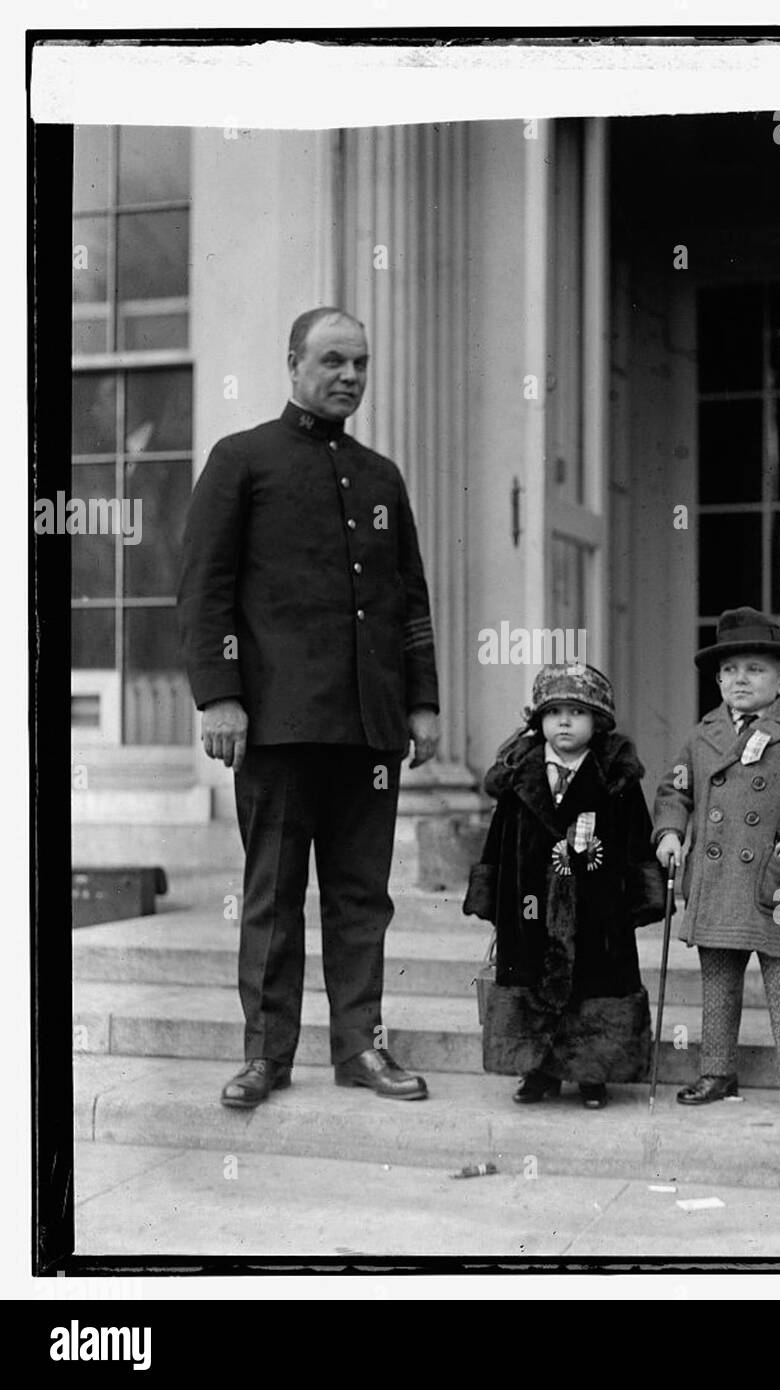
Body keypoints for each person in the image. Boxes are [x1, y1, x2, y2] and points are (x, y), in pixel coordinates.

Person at [178, 306, 440, 1109]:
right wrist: (220, 697)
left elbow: (409, 599)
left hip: (368, 727)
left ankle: (359, 1047)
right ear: (293, 363)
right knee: (273, 895)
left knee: (362, 897)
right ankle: (267, 1055)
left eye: (360, 362)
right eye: (332, 361)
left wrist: (422, 703)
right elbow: (204, 591)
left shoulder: (381, 476)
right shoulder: (241, 460)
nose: (349, 376)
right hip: (277, 724)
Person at [652, 607, 780, 1118]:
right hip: (718, 879)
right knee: (719, 983)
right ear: (718, 680)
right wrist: (670, 832)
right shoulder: (703, 735)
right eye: (729, 670)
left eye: (754, 669)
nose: (739, 679)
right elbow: (675, 789)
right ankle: (717, 1071)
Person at [462, 664, 665, 1109]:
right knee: (530, 978)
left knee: (595, 981)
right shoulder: (520, 774)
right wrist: (489, 892)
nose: (565, 722)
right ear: (539, 722)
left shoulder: (615, 778)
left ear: (599, 721)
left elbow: (636, 837)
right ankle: (537, 1071)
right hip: (529, 905)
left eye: (577, 712)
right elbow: (498, 839)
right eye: (554, 713)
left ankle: (593, 1073)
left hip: (598, 907)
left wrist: (643, 892)